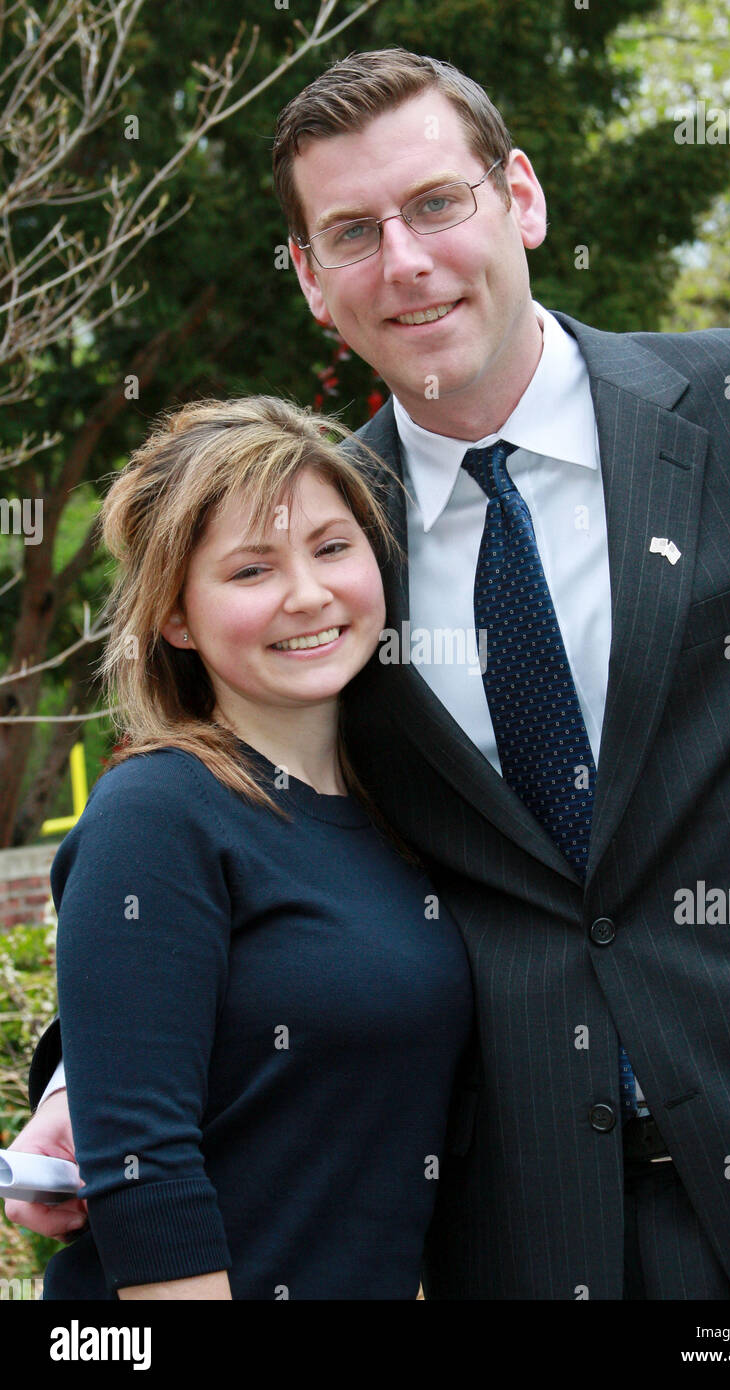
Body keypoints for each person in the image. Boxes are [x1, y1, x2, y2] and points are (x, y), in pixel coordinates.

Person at [11, 48, 730, 1300]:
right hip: (516, 1229)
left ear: (517, 198)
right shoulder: (323, 547)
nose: (403, 262)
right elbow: (263, 825)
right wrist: (99, 1074)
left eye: (434, 205)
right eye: (350, 232)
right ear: (308, 279)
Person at [16, 395, 472, 1300]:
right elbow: (147, 1173)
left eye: (332, 548)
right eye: (251, 569)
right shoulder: (158, 814)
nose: (307, 593)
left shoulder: (405, 812)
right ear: (177, 619)